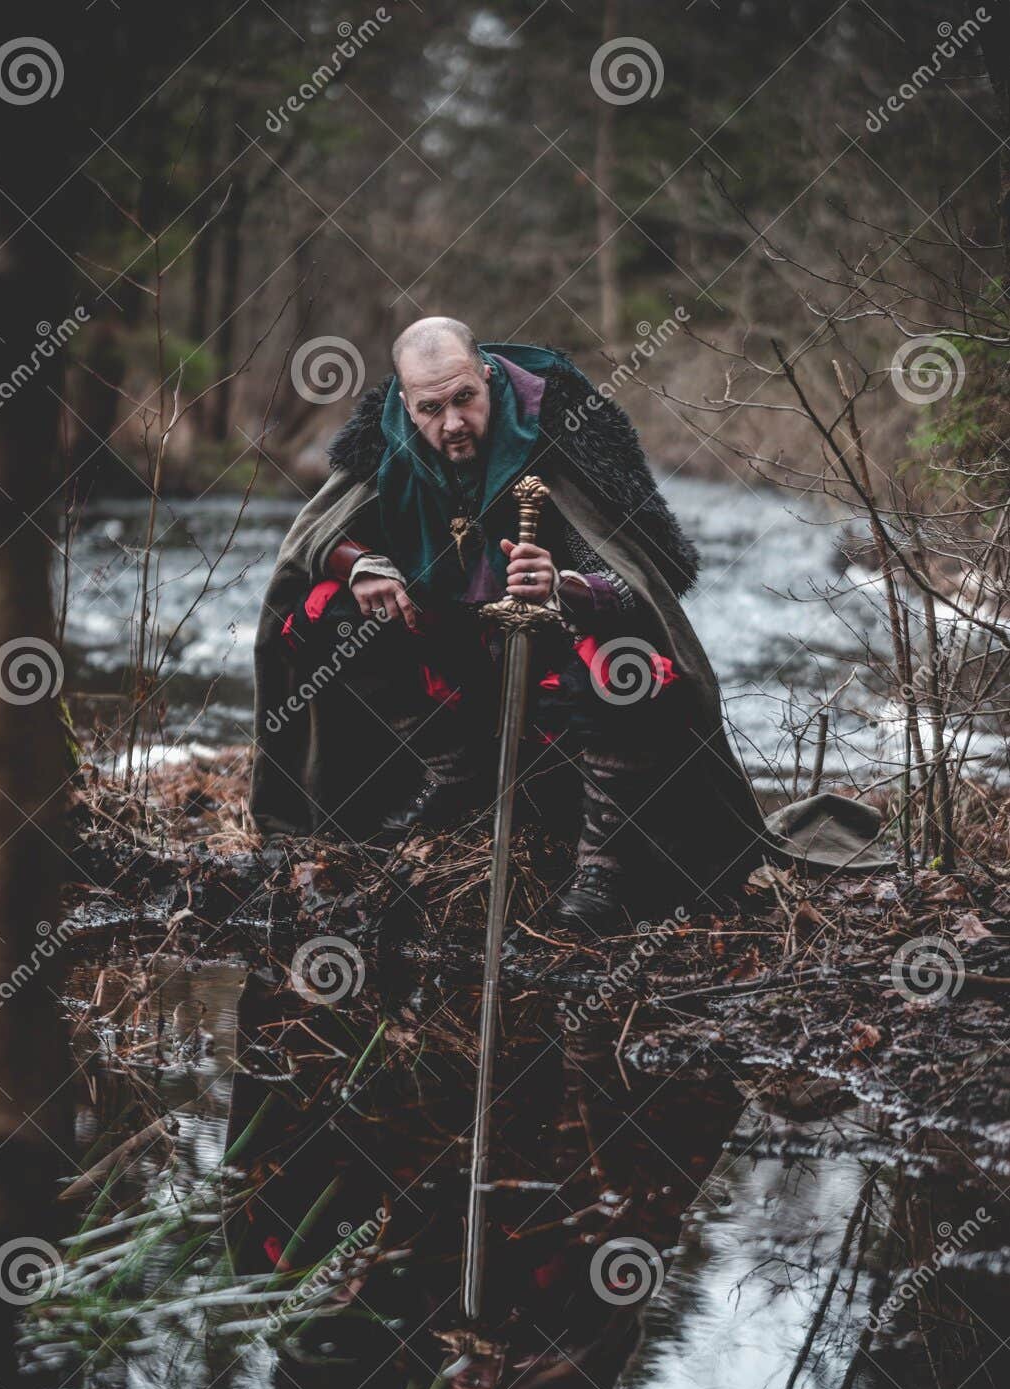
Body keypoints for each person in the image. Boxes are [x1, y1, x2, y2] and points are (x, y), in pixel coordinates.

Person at [251, 317, 885, 931]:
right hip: (449, 671)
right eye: (430, 409)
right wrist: (364, 565)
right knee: (325, 612)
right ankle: (452, 772)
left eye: (465, 399)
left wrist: (567, 585)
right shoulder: (383, 444)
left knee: (631, 659)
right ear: (405, 404)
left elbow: (650, 578)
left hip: (555, 673)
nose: (451, 423)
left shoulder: (565, 427)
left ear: (489, 379)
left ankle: (602, 866)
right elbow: (315, 542)